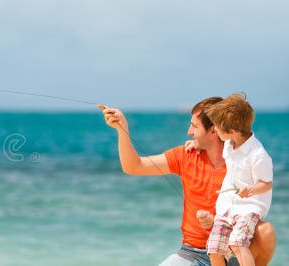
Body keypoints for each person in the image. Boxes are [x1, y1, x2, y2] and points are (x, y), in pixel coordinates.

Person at [97, 97, 275, 266]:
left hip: (230, 251)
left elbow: (253, 206)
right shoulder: (187, 155)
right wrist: (122, 131)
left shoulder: (242, 162)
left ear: (214, 130)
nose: (189, 132)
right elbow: (134, 166)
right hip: (192, 253)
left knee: (265, 232)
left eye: (194, 126)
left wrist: (215, 220)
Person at [204, 94, 273, 266]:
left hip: (249, 207)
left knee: (237, 243)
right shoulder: (230, 143)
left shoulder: (258, 155)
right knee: (214, 248)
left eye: (217, 128)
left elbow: (267, 183)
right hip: (227, 206)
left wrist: (250, 190)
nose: (215, 130)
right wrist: (197, 145)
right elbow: (216, 148)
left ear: (232, 132)